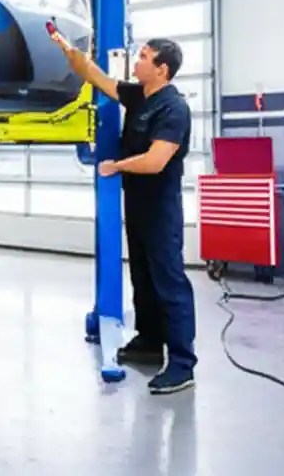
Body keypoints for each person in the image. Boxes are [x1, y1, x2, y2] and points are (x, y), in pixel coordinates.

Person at [50, 30, 196, 394]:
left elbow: (156, 160)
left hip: (160, 209)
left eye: (144, 57)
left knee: (169, 282)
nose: (137, 60)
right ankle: (149, 342)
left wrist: (114, 166)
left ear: (162, 69)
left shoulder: (173, 108)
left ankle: (182, 363)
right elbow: (97, 77)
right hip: (138, 205)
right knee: (144, 278)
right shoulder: (138, 96)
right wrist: (68, 48)